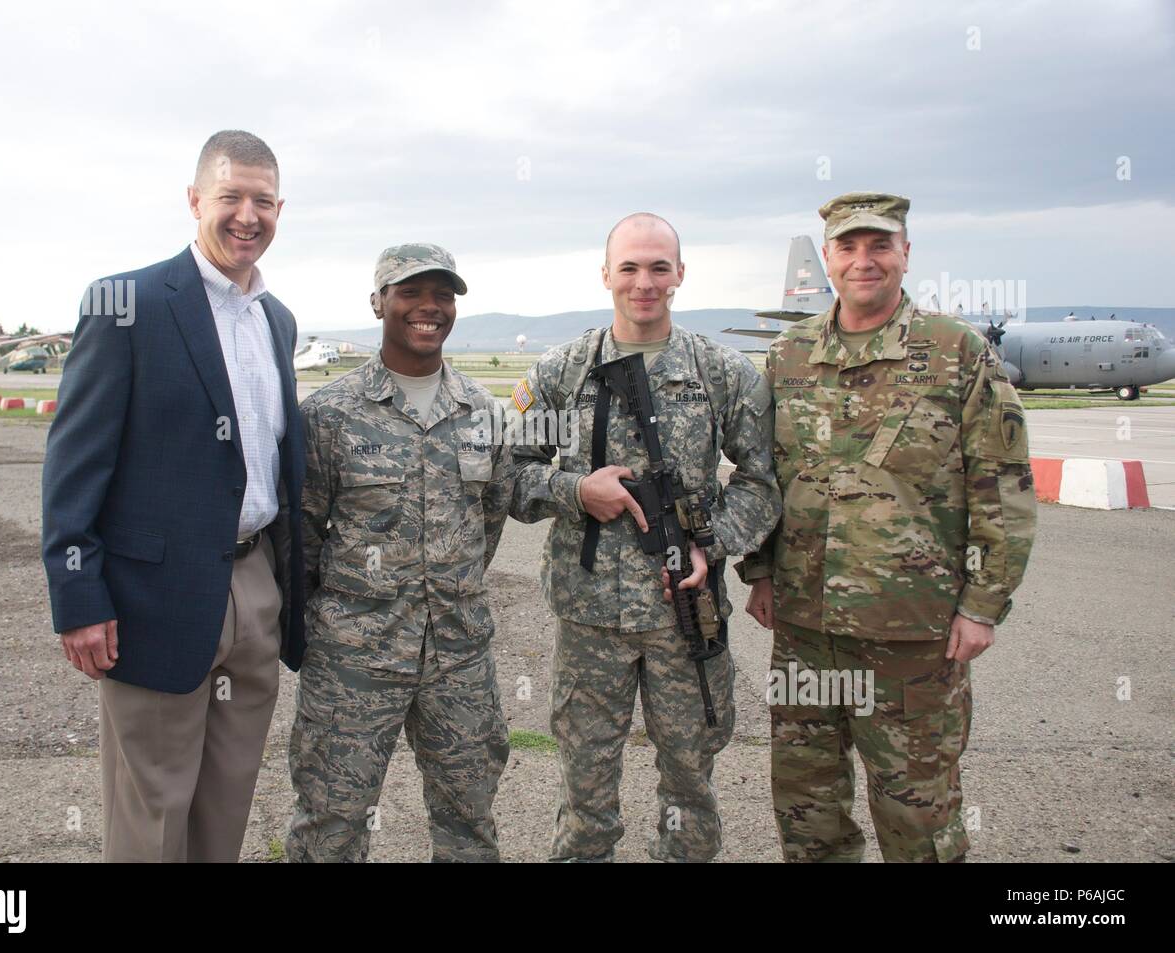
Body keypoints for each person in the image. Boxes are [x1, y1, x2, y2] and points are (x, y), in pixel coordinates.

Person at [742, 191, 1037, 862]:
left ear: (906, 254)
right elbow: (761, 473)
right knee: (807, 813)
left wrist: (983, 604)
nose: (864, 260)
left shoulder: (956, 352)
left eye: (880, 245)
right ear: (829, 258)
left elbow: (1005, 483)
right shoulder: (788, 356)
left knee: (919, 820)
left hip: (913, 636)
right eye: (849, 247)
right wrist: (758, 570)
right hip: (804, 633)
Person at [42, 130, 306, 862]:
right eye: (230, 197)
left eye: (262, 200)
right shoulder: (126, 304)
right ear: (195, 200)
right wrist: (79, 597)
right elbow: (73, 465)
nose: (246, 215)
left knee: (224, 808)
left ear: (280, 207)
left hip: (255, 587)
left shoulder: (276, 321)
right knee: (154, 813)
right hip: (151, 597)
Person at [509, 213, 781, 862]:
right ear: (606, 274)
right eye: (629, 267)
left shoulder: (723, 372)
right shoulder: (561, 372)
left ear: (681, 274)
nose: (644, 282)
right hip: (589, 620)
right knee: (585, 798)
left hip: (686, 618)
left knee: (690, 792)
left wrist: (709, 542)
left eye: (660, 267)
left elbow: (763, 479)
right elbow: (506, 476)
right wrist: (577, 490)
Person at [287, 243, 512, 863]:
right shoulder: (329, 414)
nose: (428, 308)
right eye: (410, 292)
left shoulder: (482, 413)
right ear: (378, 301)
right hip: (353, 657)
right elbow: (301, 535)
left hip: (459, 656)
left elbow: (488, 521)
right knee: (330, 824)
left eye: (442, 295)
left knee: (470, 822)